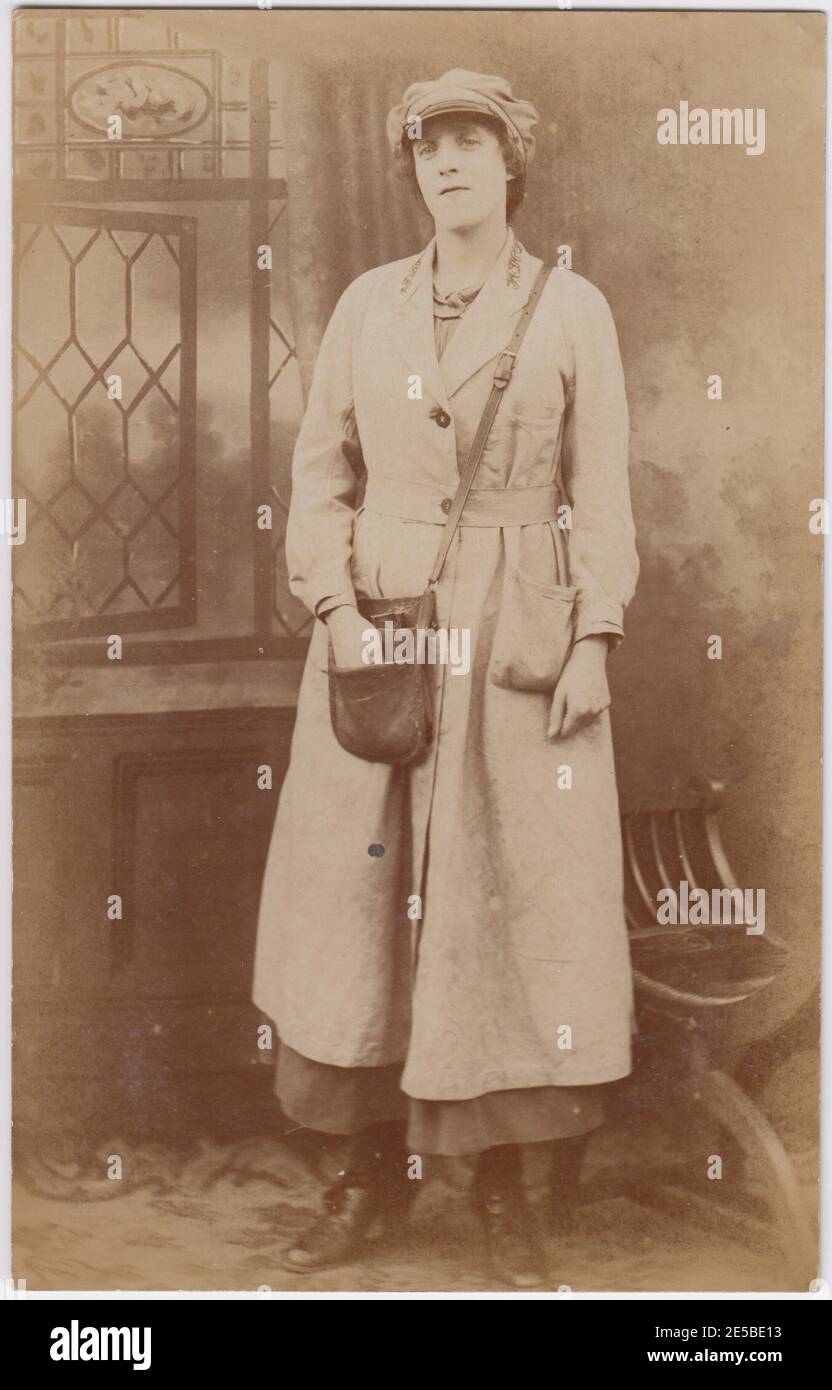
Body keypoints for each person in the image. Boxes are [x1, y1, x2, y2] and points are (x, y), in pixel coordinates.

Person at [252, 68, 639, 1288]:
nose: (449, 163)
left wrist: (593, 639)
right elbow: (320, 474)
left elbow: (604, 491)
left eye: (472, 142)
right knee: (363, 906)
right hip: (380, 632)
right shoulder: (369, 305)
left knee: (514, 903)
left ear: (510, 162)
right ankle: (366, 1184)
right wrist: (335, 607)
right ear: (411, 168)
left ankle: (505, 1203)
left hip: (520, 632)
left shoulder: (571, 309)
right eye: (429, 147)